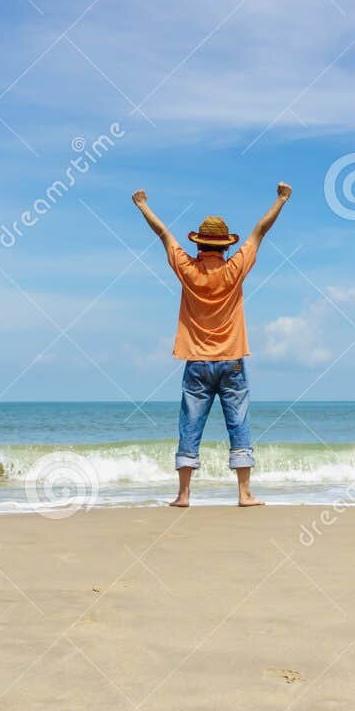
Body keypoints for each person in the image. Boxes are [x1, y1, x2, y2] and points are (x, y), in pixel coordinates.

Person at [131, 183, 292, 507]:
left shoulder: (188, 270)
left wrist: (143, 205)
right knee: (239, 424)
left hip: (197, 362)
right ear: (224, 247)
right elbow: (261, 230)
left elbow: (163, 234)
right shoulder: (234, 269)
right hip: (232, 360)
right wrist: (281, 199)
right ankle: (244, 494)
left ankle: (183, 494)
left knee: (190, 425)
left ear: (200, 244)